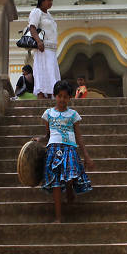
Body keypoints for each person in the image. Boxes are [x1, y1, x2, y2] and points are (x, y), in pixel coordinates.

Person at [33, 80, 93, 223]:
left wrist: (86, 156)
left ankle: (70, 190)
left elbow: (78, 136)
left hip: (70, 149)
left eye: (65, 96)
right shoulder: (48, 114)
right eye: (59, 96)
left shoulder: (73, 115)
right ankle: (58, 217)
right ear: (54, 96)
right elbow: (47, 135)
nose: (62, 99)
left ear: (70, 98)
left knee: (70, 177)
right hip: (53, 150)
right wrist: (39, 139)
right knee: (55, 183)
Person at [28, 0, 59, 98]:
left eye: (52, 0)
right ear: (42, 1)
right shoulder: (36, 12)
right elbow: (32, 27)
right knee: (43, 70)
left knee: (51, 71)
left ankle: (51, 94)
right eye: (49, 0)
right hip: (43, 48)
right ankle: (42, 94)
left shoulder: (49, 15)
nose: (51, 2)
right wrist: (38, 42)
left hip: (52, 49)